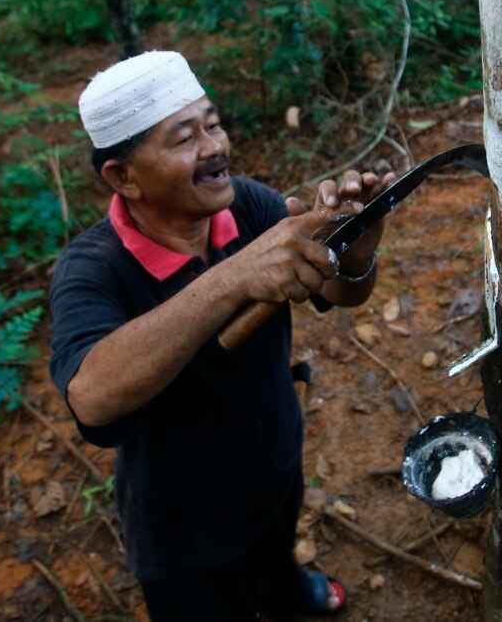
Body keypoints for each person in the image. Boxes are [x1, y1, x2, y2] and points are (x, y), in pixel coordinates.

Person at [48, 50, 394, 621]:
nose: (214, 147)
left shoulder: (249, 203)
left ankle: (286, 591)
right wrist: (234, 276)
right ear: (124, 176)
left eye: (212, 124)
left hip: (273, 456)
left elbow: (342, 293)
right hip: (181, 520)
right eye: (184, 138)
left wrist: (355, 250)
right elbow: (92, 397)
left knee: (275, 551)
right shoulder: (93, 269)